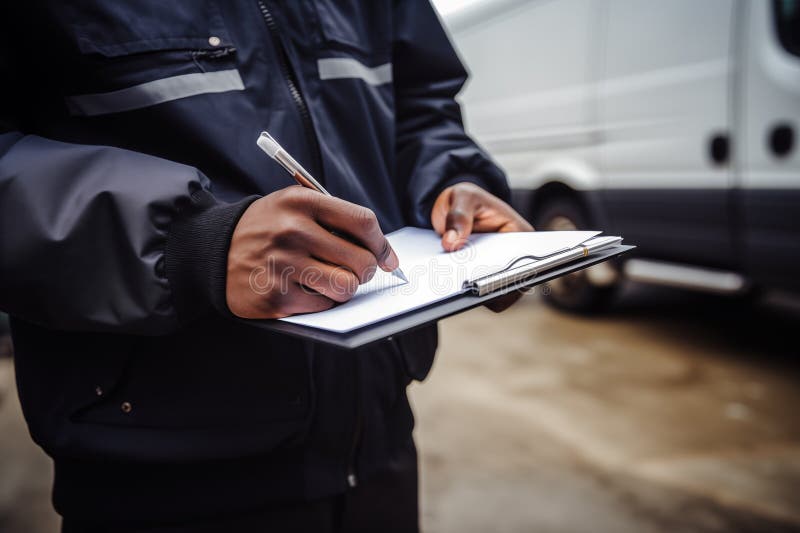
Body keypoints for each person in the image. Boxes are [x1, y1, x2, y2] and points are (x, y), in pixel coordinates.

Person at [0, 1, 532, 531]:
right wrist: (188, 243)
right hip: (164, 476)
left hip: (380, 447)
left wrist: (453, 180)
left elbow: (422, 107)